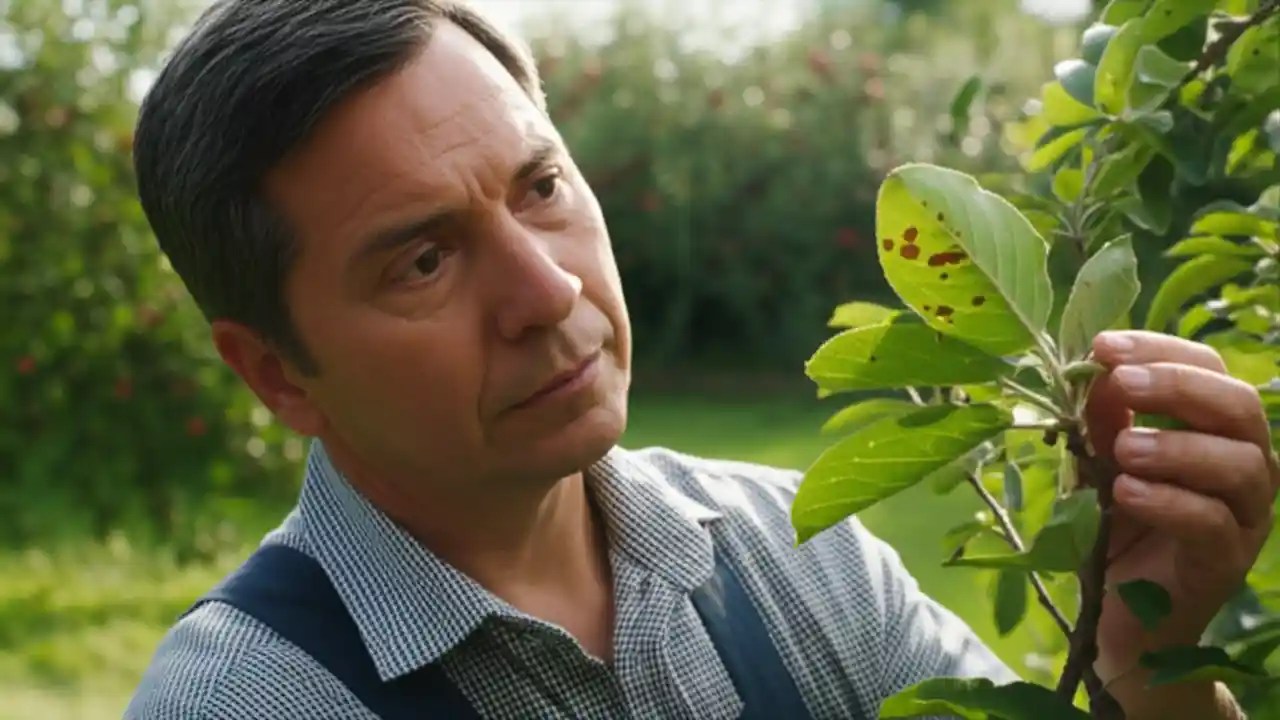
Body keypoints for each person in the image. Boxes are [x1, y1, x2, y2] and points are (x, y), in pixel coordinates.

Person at [123, 1, 1276, 718]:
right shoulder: (249, 703)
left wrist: (1147, 667)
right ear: (276, 373)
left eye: (542, 189)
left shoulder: (800, 556)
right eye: (421, 262)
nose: (548, 288)